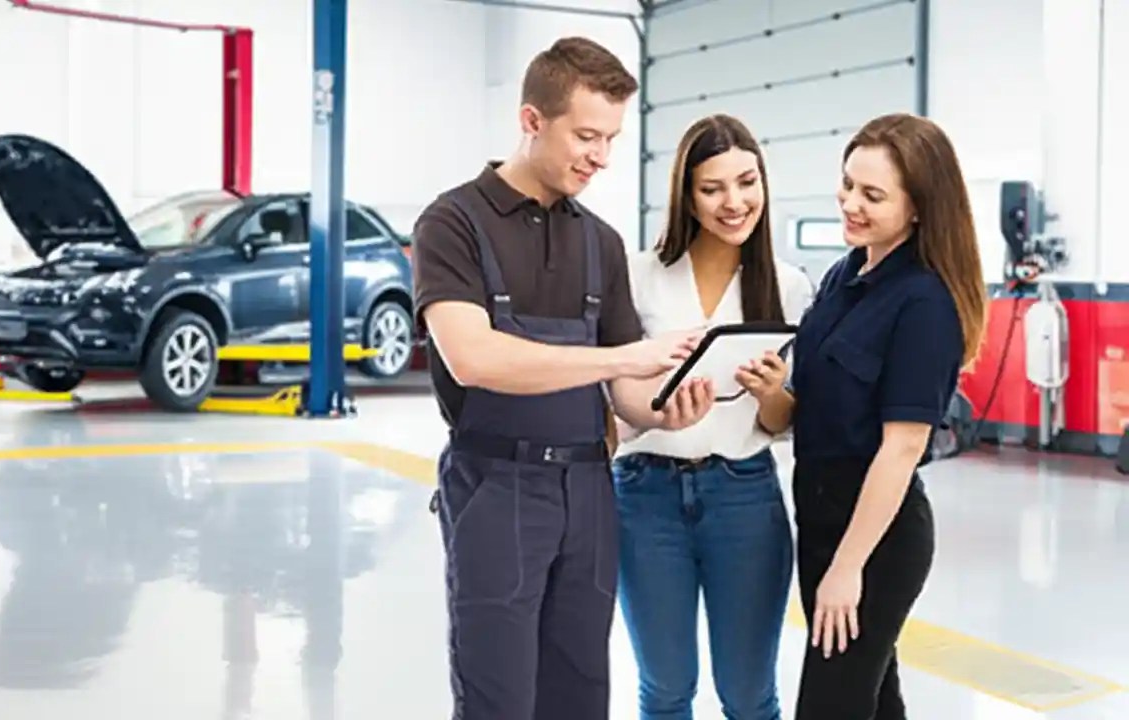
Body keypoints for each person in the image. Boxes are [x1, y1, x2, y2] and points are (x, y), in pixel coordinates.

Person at [410, 37, 718, 720]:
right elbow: (475, 359)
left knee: (580, 695)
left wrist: (666, 407)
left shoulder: (600, 241)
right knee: (499, 695)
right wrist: (621, 362)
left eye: (610, 137)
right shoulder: (452, 223)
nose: (601, 156)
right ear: (530, 121)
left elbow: (625, 393)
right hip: (496, 486)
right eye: (585, 135)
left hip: (588, 488)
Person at [758, 113, 988, 718]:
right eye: (847, 185)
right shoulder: (842, 275)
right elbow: (803, 412)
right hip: (819, 517)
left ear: (918, 207)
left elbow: (901, 449)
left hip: (876, 539)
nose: (850, 204)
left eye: (872, 195)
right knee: (874, 698)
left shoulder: (925, 302)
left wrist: (847, 568)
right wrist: (766, 393)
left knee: (830, 704)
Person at [610, 114, 815, 720]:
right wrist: (655, 412)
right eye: (713, 188)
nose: (735, 202)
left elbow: (782, 422)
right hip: (645, 495)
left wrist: (774, 391)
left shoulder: (789, 286)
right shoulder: (636, 275)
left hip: (744, 496)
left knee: (750, 696)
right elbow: (613, 396)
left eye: (747, 182)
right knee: (666, 690)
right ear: (686, 196)